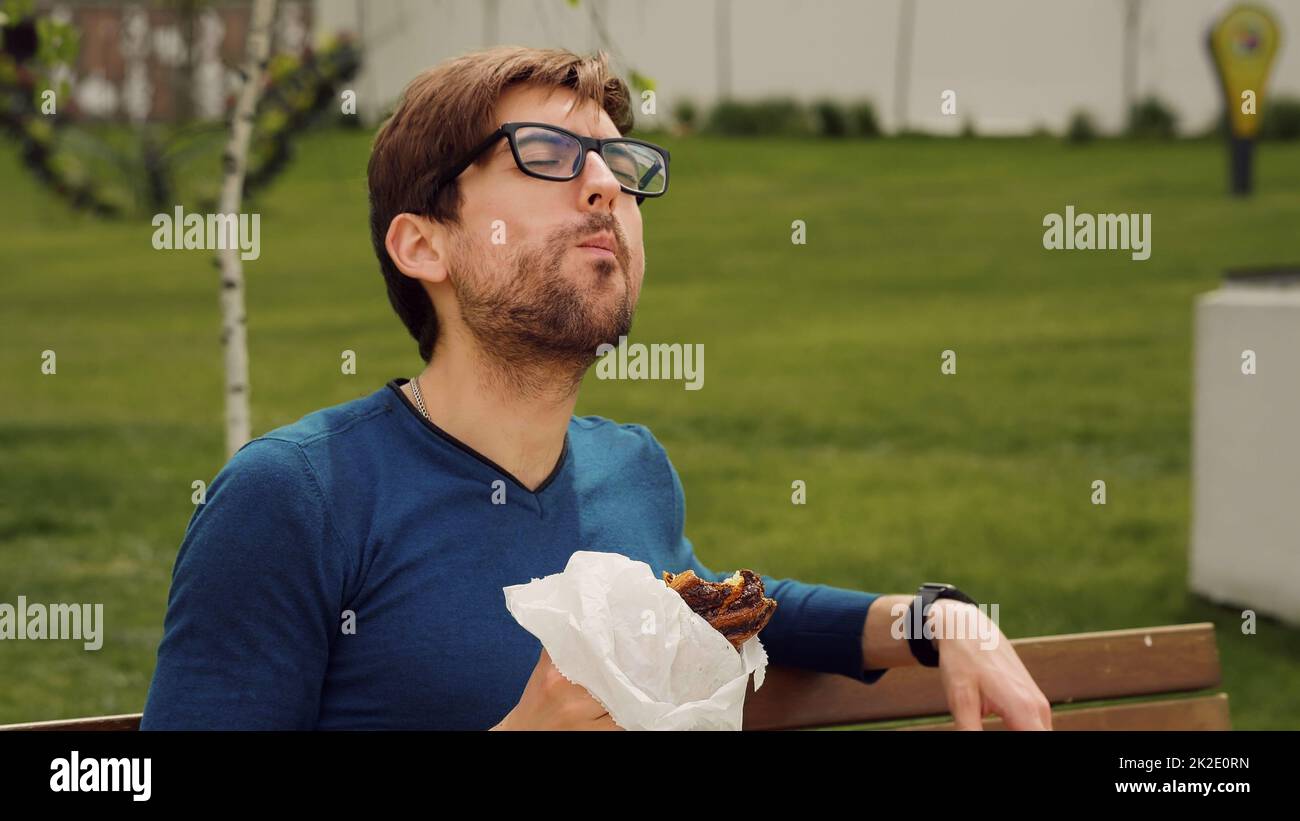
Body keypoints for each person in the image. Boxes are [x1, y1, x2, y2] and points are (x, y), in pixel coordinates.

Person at [142, 46, 1051, 731]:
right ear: (424, 244)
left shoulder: (632, 472)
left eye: (620, 167)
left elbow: (726, 602)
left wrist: (937, 619)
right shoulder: (296, 497)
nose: (604, 189)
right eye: (545, 153)